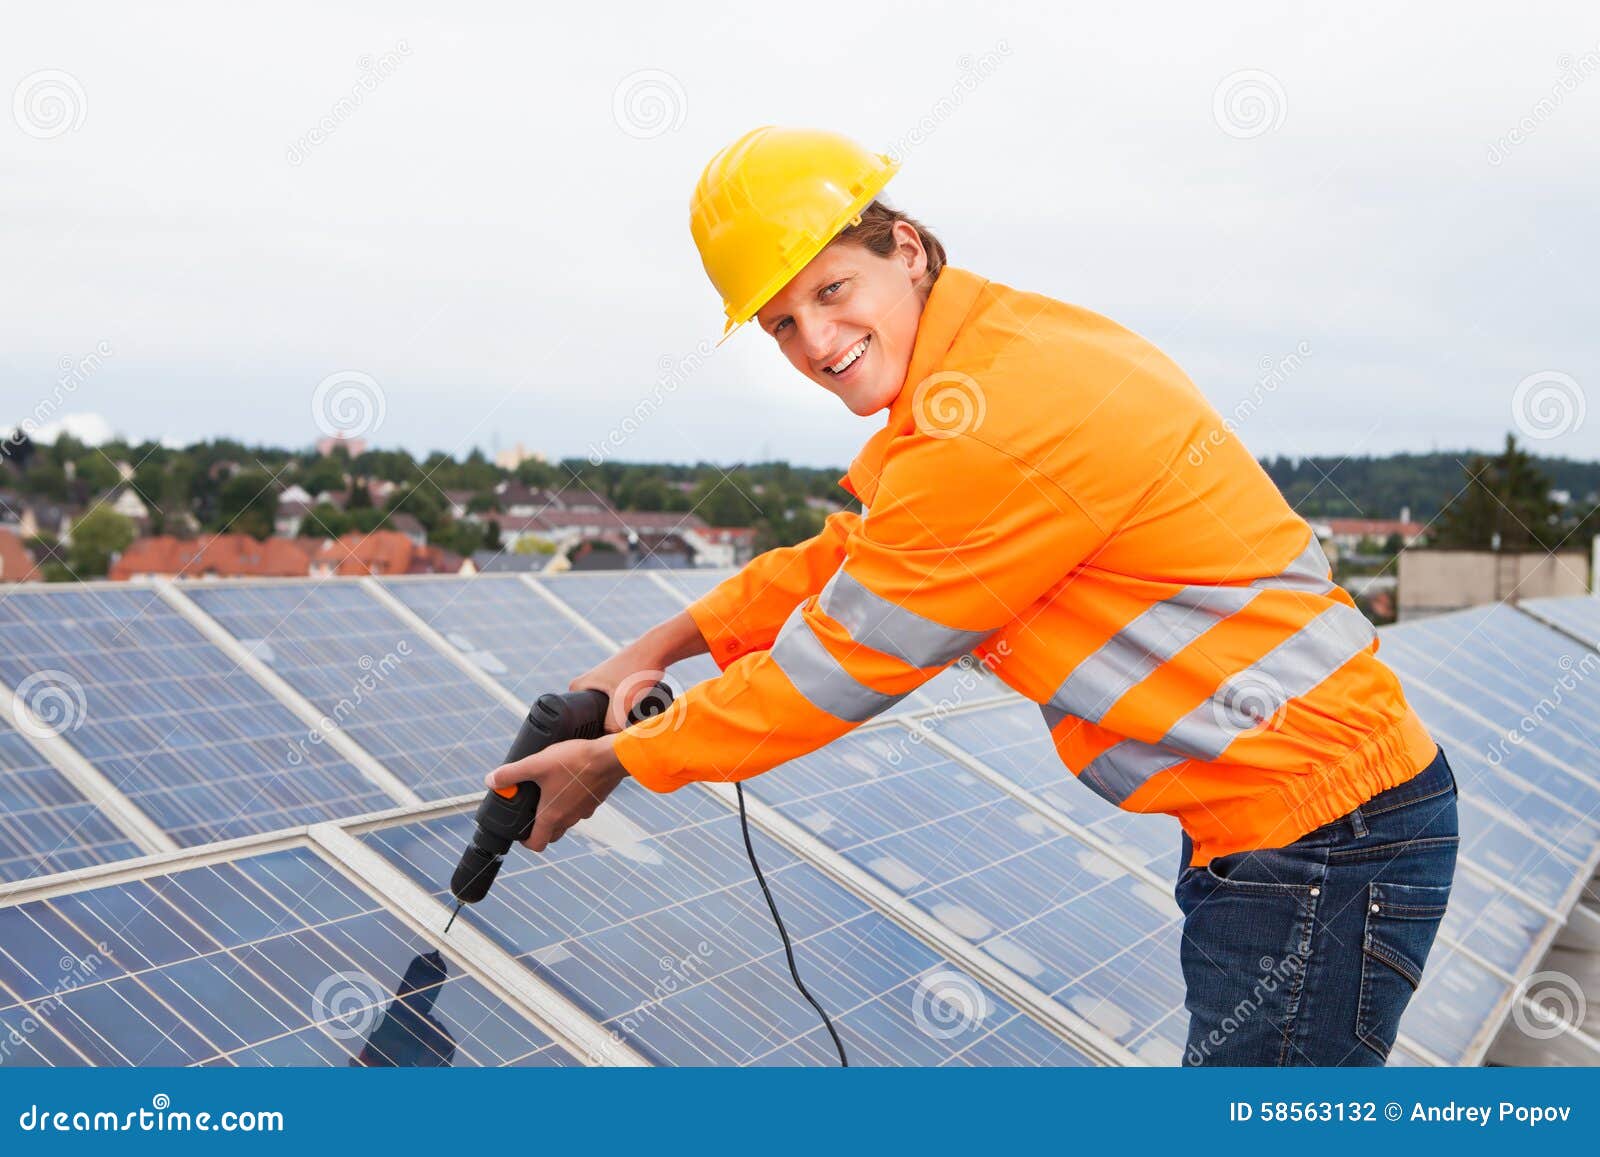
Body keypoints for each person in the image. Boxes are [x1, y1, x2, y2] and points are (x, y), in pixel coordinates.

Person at [485, 126, 1460, 1066]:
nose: (816, 340)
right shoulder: (985, 360)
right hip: (1288, 822)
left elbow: (838, 665)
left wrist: (618, 758)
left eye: (832, 290)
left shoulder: (994, 416)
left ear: (903, 247)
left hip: (1325, 835)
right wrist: (652, 650)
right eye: (782, 322)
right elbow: (851, 552)